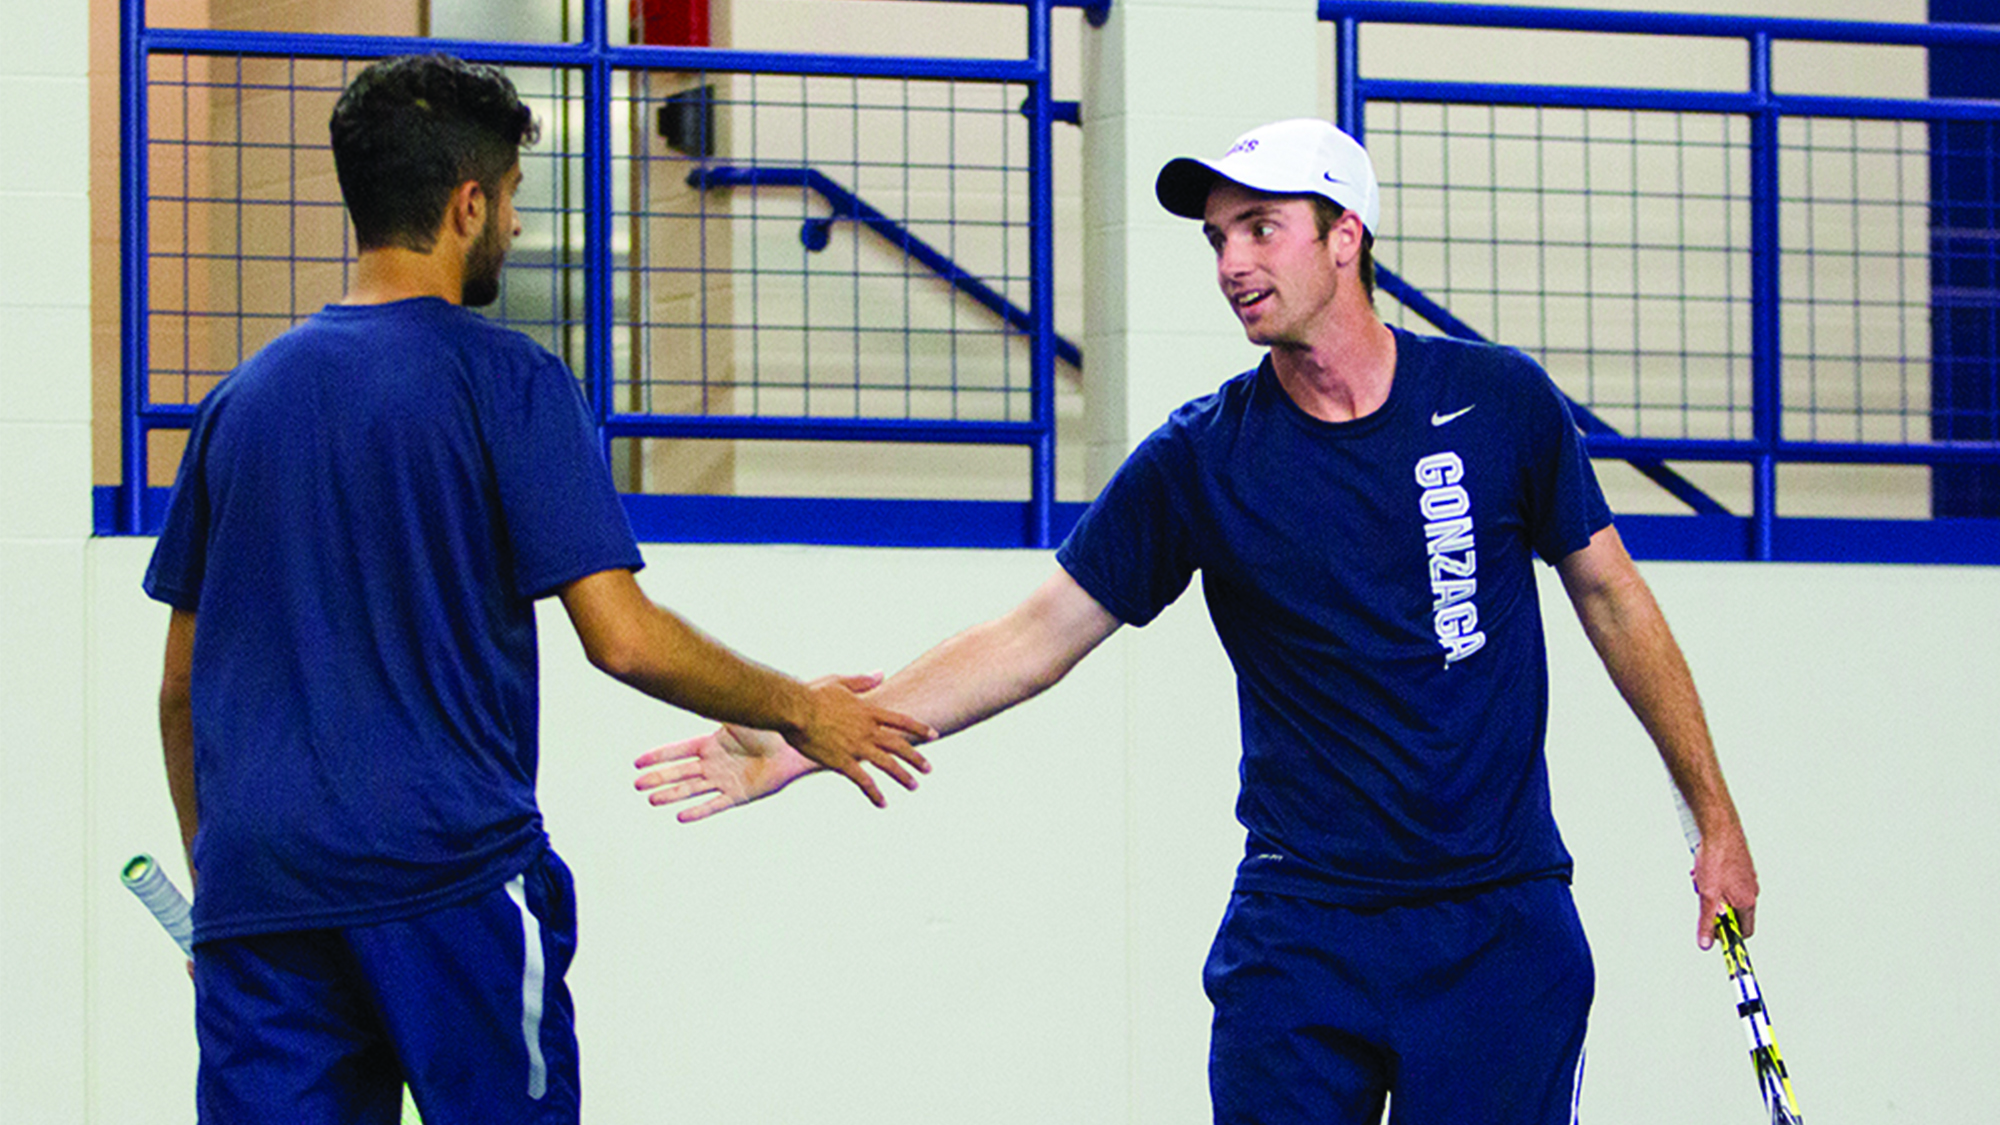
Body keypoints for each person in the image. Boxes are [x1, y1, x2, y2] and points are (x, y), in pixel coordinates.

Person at [634, 118, 1761, 1123]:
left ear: (1345, 237)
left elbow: (1612, 597)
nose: (1230, 263)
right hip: (1301, 932)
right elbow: (1030, 639)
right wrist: (807, 731)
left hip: (1497, 930)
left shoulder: (1498, 402)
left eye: (1260, 230)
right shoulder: (1200, 458)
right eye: (1217, 238)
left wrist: (1713, 817)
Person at [144, 53, 932, 1125]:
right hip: (448, 883)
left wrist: (221, 891)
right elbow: (624, 637)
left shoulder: (236, 405)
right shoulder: (509, 380)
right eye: (512, 198)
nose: (515, 226)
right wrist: (802, 708)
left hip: (262, 897)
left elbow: (180, 689)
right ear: (468, 205)